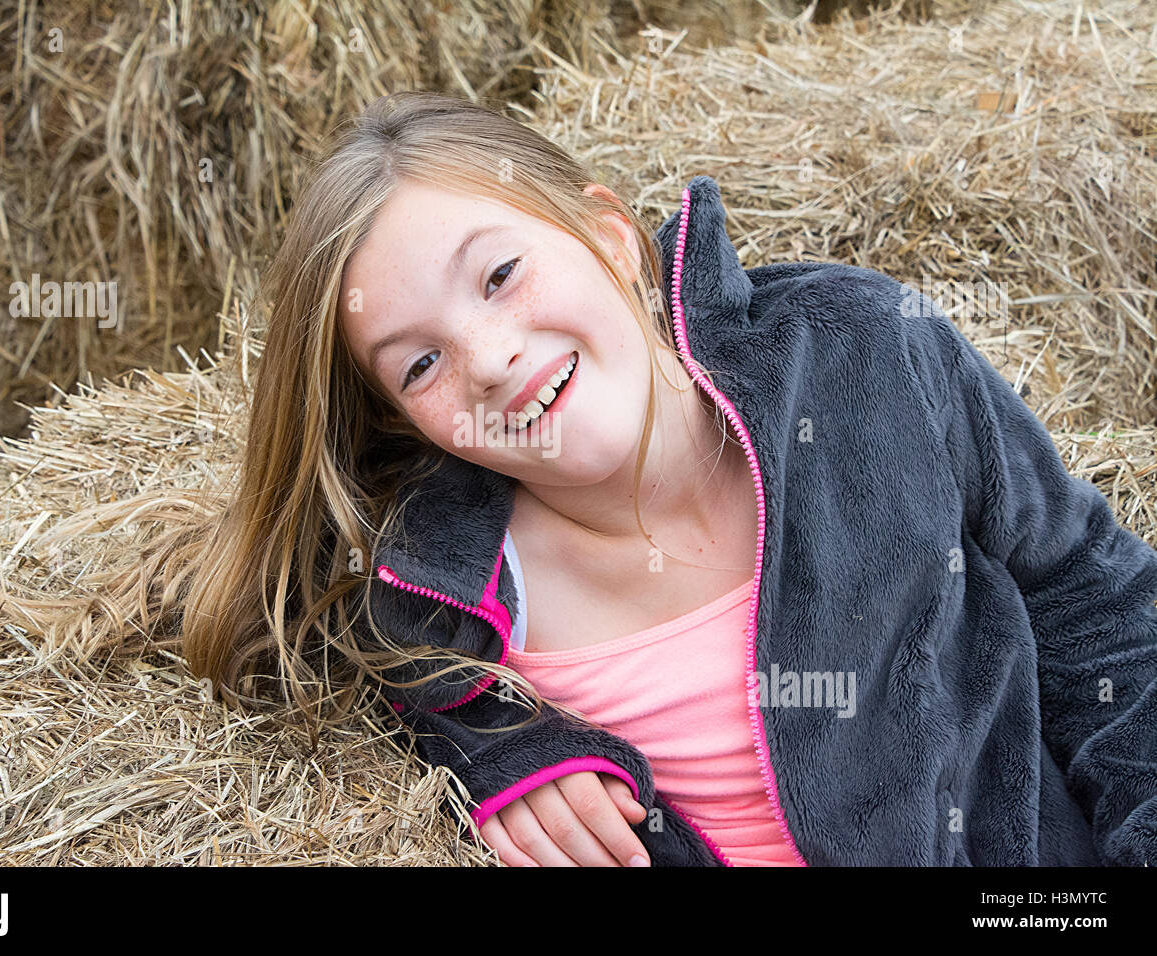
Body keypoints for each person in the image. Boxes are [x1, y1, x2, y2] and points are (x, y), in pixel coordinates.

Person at [178, 90, 1157, 866]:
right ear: (405, 420)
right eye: (417, 363)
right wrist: (488, 745)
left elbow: (1094, 602)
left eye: (499, 275)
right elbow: (288, 636)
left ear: (608, 239)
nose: (484, 354)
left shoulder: (859, 353)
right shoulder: (436, 595)